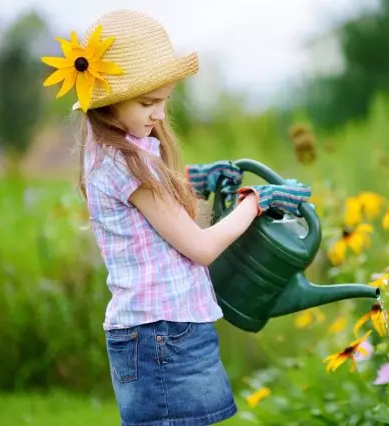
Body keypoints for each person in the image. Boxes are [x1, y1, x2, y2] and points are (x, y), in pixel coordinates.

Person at [40, 9, 311, 426]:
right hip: (162, 336)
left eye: (165, 101)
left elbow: (150, 210)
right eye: (148, 103)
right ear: (109, 101)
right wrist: (256, 201)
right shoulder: (131, 164)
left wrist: (192, 181)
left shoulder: (113, 151)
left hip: (162, 332)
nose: (160, 115)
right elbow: (201, 248)